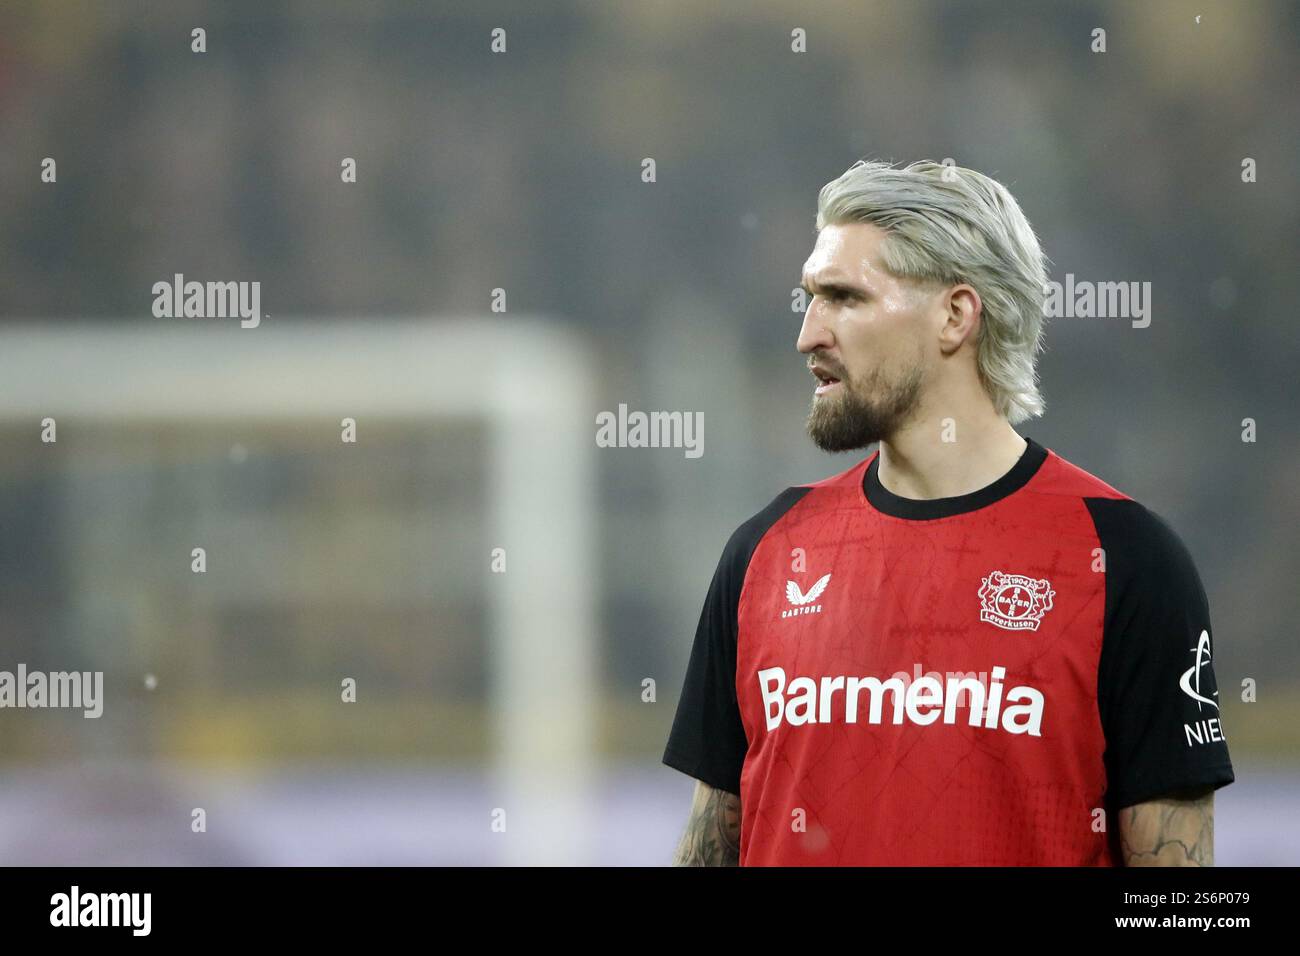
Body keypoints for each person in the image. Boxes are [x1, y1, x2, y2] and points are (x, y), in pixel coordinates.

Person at [663, 160, 1234, 866]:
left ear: (956, 316)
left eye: (844, 297)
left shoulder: (1126, 560)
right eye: (809, 299)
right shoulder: (765, 555)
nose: (808, 334)